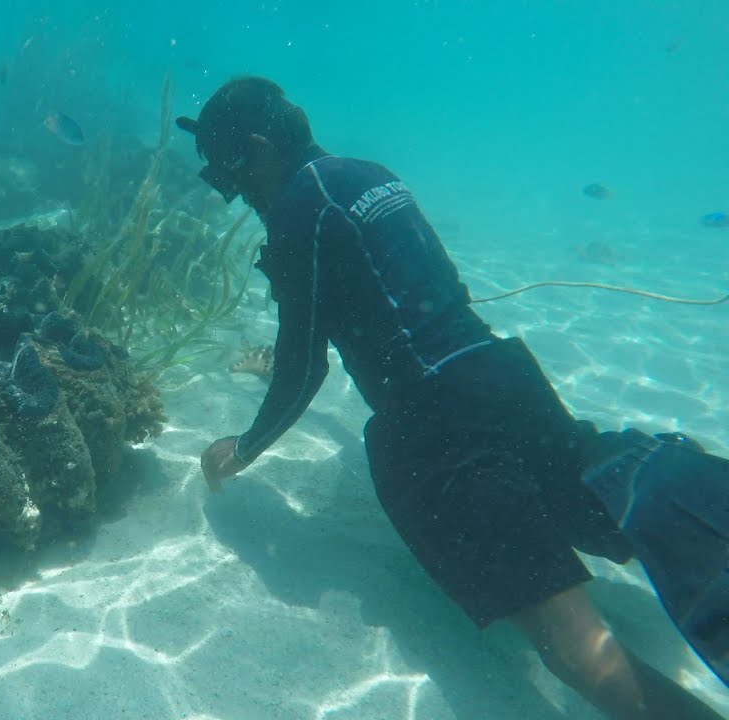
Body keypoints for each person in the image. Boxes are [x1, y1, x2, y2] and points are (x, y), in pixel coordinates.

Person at [179, 76, 725, 720]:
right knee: (626, 516)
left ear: (261, 147)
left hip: (438, 425)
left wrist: (244, 447)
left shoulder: (303, 205)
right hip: (508, 382)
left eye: (231, 173)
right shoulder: (366, 175)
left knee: (576, 650)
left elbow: (303, 367)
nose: (237, 193)